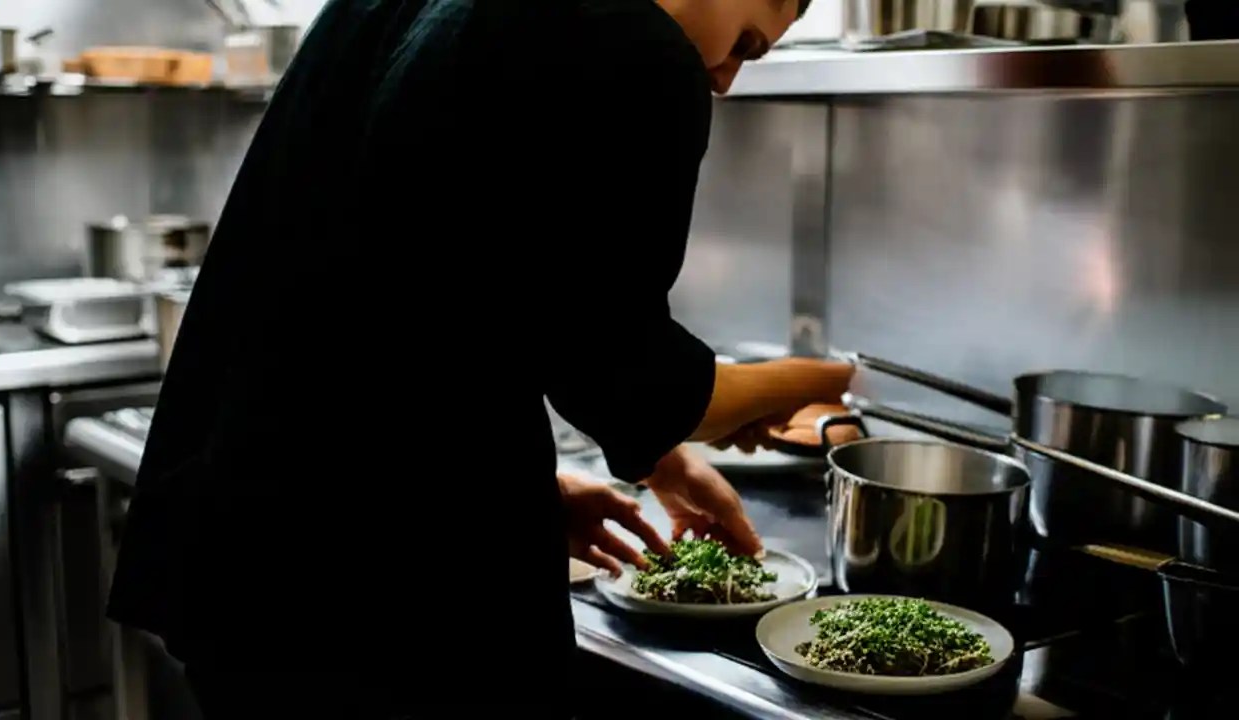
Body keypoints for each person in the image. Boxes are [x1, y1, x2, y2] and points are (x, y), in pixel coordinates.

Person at [106, 0, 847, 716]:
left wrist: (546, 482)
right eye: (748, 43)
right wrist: (826, 381)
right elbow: (634, 389)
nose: (726, 78)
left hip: (241, 565)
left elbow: (424, 299)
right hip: (384, 623)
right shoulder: (637, 45)